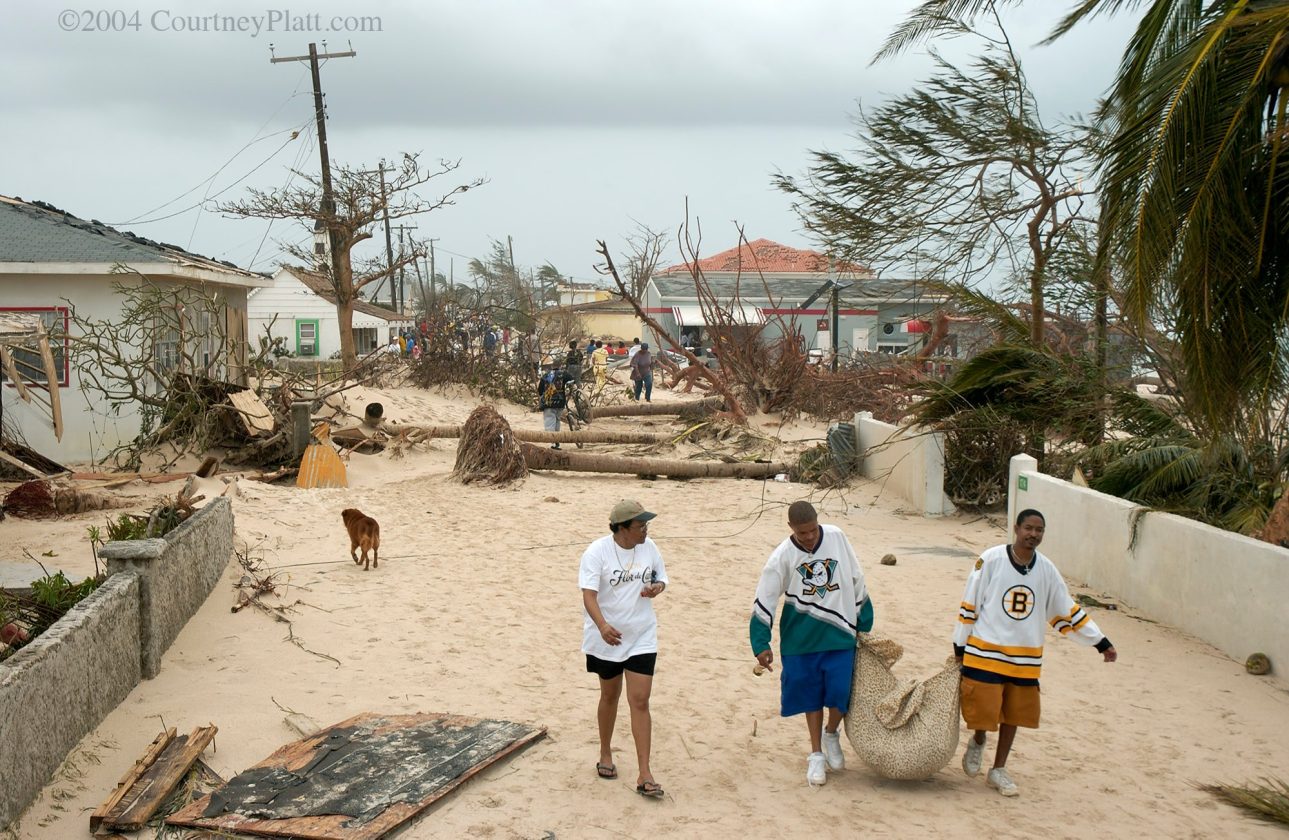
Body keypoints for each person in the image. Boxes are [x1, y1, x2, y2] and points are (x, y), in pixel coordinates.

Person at [954, 508, 1117, 797]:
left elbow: (1066, 607)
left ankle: (999, 769)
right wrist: (960, 645)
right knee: (982, 712)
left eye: (1039, 530)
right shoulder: (990, 559)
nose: (1033, 534)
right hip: (985, 650)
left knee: (1014, 714)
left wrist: (1100, 641)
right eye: (1028, 528)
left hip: (1025, 655)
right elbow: (971, 602)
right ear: (1016, 528)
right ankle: (978, 740)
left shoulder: (1047, 569)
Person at [750, 501, 873, 786]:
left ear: (819, 523)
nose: (809, 537)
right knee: (811, 696)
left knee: (842, 693)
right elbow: (764, 598)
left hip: (841, 632)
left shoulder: (837, 537)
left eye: (813, 530)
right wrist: (761, 643)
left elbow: (857, 577)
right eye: (802, 533)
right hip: (800, 639)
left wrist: (864, 622)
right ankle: (816, 753)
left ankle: (832, 732)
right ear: (791, 528)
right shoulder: (781, 557)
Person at [580, 499, 669, 799]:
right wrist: (603, 626)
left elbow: (661, 578)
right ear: (621, 528)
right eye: (640, 525)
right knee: (610, 695)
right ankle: (606, 752)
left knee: (640, 699)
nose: (645, 530)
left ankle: (645, 772)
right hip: (607, 637)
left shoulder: (650, 547)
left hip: (642, 634)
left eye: (646, 524)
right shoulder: (597, 552)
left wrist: (656, 588)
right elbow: (589, 596)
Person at [537, 366, 576, 448]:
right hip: (560, 402)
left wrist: (542, 396)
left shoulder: (545, 375)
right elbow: (572, 380)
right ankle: (557, 440)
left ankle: (552, 442)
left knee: (549, 421)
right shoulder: (564, 374)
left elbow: (540, 389)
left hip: (549, 402)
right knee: (557, 421)